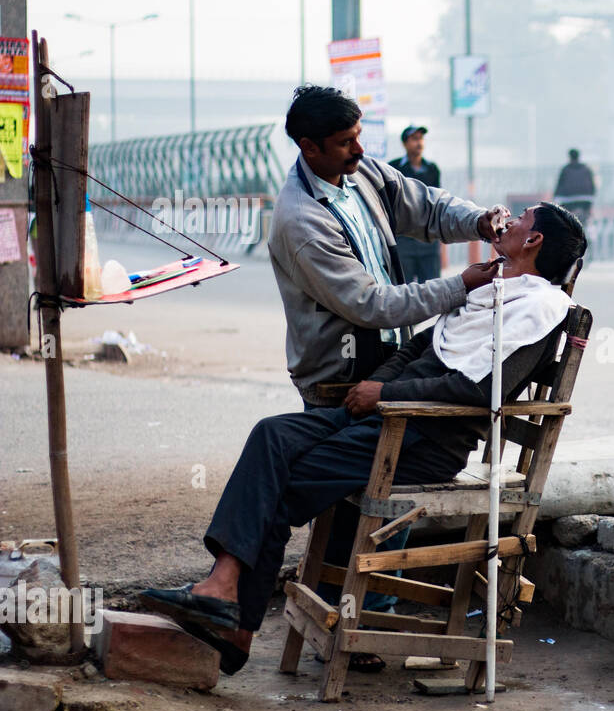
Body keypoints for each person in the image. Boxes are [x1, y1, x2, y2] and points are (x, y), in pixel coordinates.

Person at [139, 203, 588, 675]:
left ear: (534, 241)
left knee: (278, 486)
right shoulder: (491, 290)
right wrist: (374, 389)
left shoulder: (540, 309)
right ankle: (225, 593)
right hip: (385, 416)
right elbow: (420, 346)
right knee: (272, 435)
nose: (510, 220)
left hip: (422, 440)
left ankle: (234, 617)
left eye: (521, 218)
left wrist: (387, 393)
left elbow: (475, 391)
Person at [268, 85, 508, 668]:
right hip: (338, 372)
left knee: (370, 493)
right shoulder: (300, 221)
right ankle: (354, 618)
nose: (358, 151)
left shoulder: (364, 173)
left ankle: (358, 617)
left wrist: (477, 218)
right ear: (309, 147)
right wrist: (463, 285)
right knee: (363, 495)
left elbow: (424, 208)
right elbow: (372, 305)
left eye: (358, 138)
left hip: (390, 368)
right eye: (345, 143)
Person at [388, 125, 444, 283]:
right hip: (403, 238)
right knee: (402, 286)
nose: (419, 143)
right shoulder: (394, 168)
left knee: (432, 286)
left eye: (420, 139)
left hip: (428, 237)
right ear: (405, 143)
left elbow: (437, 200)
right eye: (414, 139)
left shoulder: (432, 169)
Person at [553, 148, 595, 225]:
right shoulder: (586, 169)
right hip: (586, 198)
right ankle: (588, 227)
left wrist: (555, 197)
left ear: (569, 157)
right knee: (586, 216)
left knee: (565, 216)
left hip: (569, 199)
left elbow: (559, 185)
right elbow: (592, 185)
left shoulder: (565, 169)